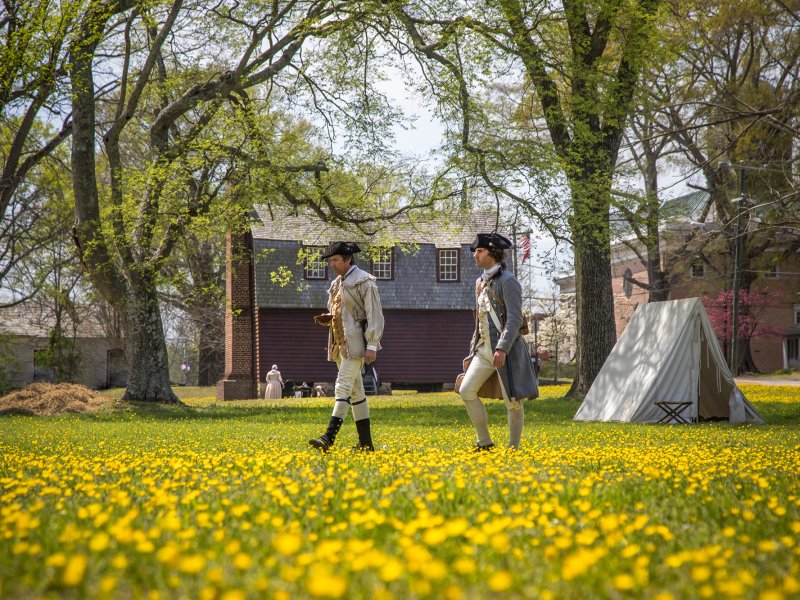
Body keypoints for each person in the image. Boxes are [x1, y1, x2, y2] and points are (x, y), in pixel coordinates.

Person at [459, 232, 539, 450]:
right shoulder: (480, 282)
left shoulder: (508, 281)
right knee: (466, 391)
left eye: (480, 251)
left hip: (507, 350)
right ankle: (484, 442)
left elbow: (514, 318)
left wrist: (502, 348)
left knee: (513, 401)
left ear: (493, 253)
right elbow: (480, 319)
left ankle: (513, 447)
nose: (475, 255)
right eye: (475, 251)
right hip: (483, 349)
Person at [310, 241, 384, 452]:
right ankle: (366, 444)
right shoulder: (336, 283)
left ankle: (328, 438)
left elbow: (375, 316)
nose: (332, 264)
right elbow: (342, 312)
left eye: (335, 260)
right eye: (330, 261)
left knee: (342, 386)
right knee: (356, 392)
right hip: (339, 344)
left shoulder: (365, 282)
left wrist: (372, 344)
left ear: (348, 259)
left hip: (356, 344)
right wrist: (329, 318)